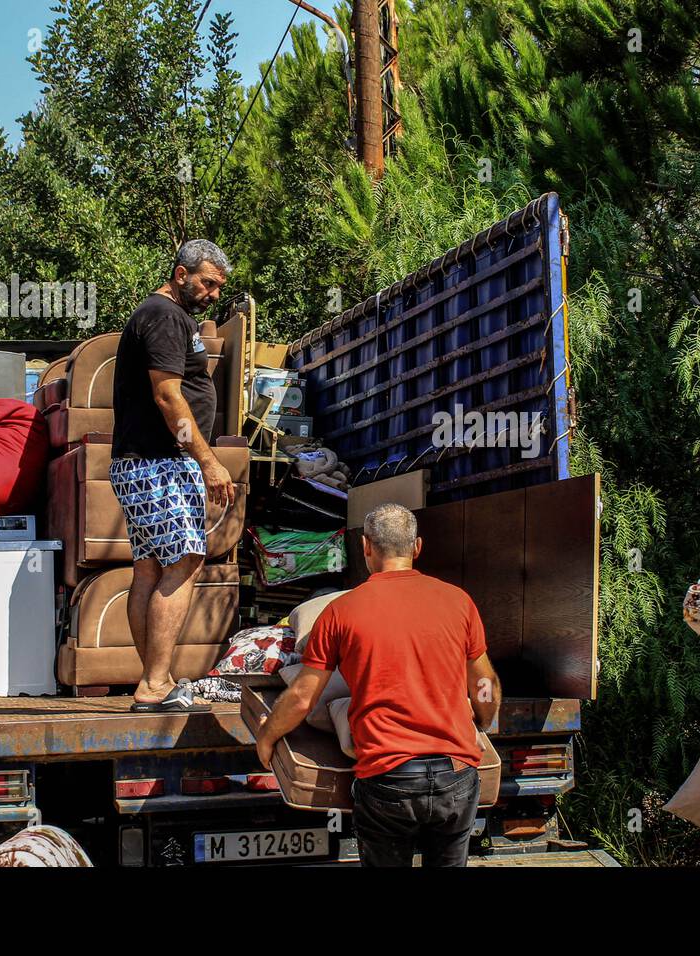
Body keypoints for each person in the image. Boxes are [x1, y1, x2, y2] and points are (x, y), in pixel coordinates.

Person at [251, 503, 501, 867]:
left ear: (366, 547)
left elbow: (304, 697)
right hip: (456, 777)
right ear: (416, 547)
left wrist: (267, 736)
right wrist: (484, 719)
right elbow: (484, 683)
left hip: (388, 779)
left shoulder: (340, 612)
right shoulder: (458, 602)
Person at [110, 239, 237, 713]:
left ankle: (152, 679)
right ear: (180, 275)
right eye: (206, 283)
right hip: (159, 462)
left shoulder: (166, 316)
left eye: (219, 287)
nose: (212, 294)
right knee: (184, 560)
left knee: (150, 569)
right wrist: (207, 460)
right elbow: (168, 396)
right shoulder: (164, 316)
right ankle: (156, 684)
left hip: (142, 463)